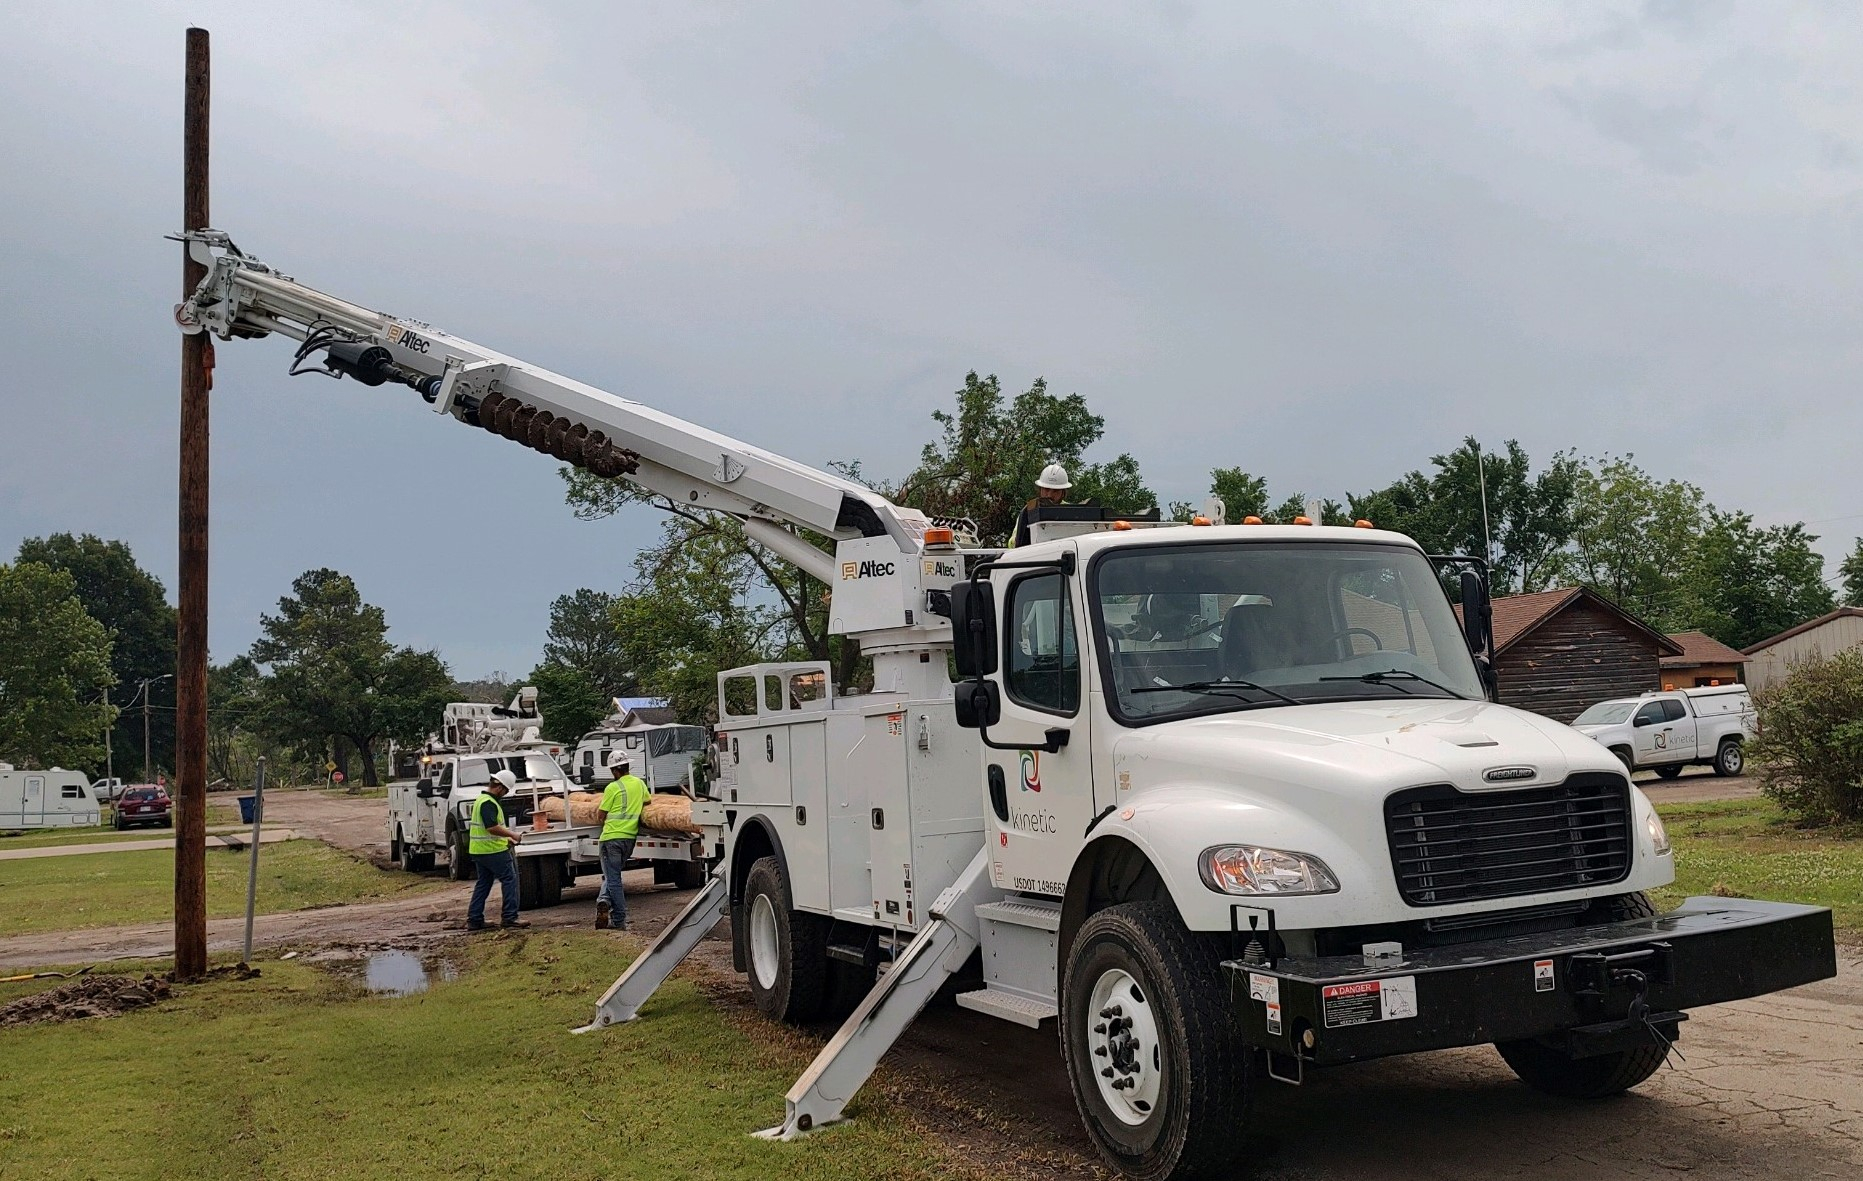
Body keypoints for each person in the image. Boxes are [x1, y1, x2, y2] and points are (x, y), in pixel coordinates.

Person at [466, 769, 529, 931]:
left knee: (483, 884)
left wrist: (505, 837)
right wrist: (513, 835)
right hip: (493, 851)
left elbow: (488, 829)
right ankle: (510, 917)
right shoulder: (488, 803)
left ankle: (475, 919)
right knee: (510, 880)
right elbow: (492, 827)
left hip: (479, 850)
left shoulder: (481, 799)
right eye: (506, 791)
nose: (505, 794)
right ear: (500, 787)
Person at [594, 753, 651, 931]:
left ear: (614, 770)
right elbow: (648, 801)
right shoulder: (640, 784)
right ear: (627, 767)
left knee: (614, 879)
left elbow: (600, 815)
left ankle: (619, 920)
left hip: (611, 838)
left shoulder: (612, 787)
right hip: (629, 839)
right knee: (612, 875)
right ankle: (603, 900)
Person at [1010, 463, 1072, 548]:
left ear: (1063, 492)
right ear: (1040, 489)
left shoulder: (1071, 511)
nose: (1049, 495)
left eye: (1055, 491)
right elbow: (1013, 543)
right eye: (1046, 489)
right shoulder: (1029, 511)